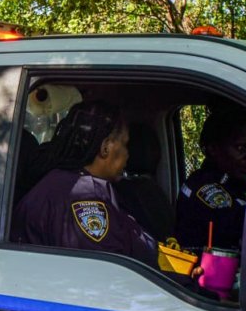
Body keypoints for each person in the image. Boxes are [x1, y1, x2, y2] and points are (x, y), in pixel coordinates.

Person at [11, 100, 157, 266]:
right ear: (105, 148)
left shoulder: (65, 183)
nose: (128, 154)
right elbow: (108, 269)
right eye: (124, 144)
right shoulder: (83, 198)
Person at [176, 106, 246, 253]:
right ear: (213, 148)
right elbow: (245, 227)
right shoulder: (204, 187)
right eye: (241, 148)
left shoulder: (231, 186)